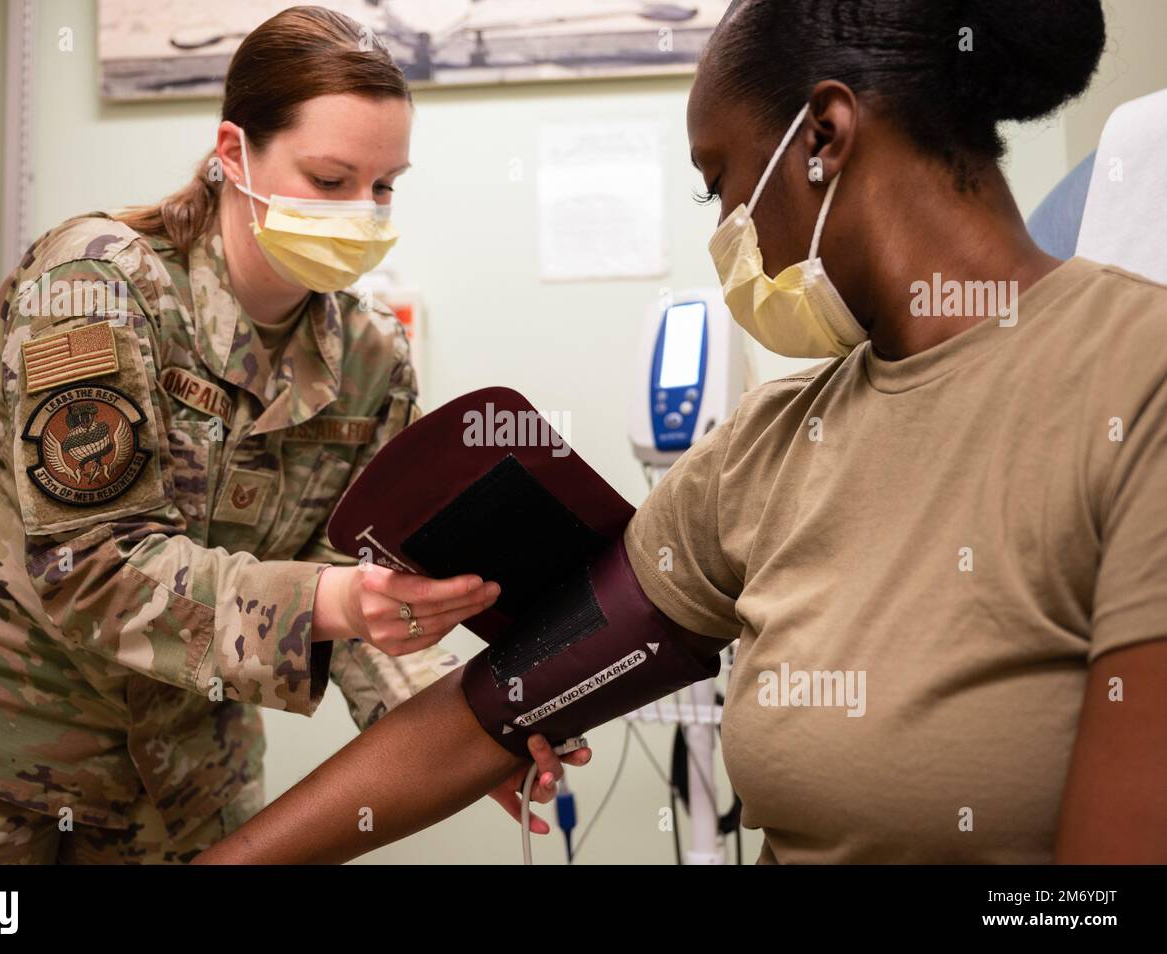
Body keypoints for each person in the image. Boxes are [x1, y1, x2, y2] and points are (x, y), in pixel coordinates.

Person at [194, 0, 1167, 865]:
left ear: (822, 136)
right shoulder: (774, 443)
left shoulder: (1139, 382)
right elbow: (483, 715)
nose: (732, 230)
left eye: (722, 184)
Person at [0, 5, 585, 865]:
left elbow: (370, 581)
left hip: (184, 784)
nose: (364, 212)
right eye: (330, 180)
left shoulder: (370, 357)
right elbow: (94, 567)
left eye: (385, 185)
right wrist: (332, 602)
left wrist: (466, 733)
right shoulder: (96, 288)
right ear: (235, 154)